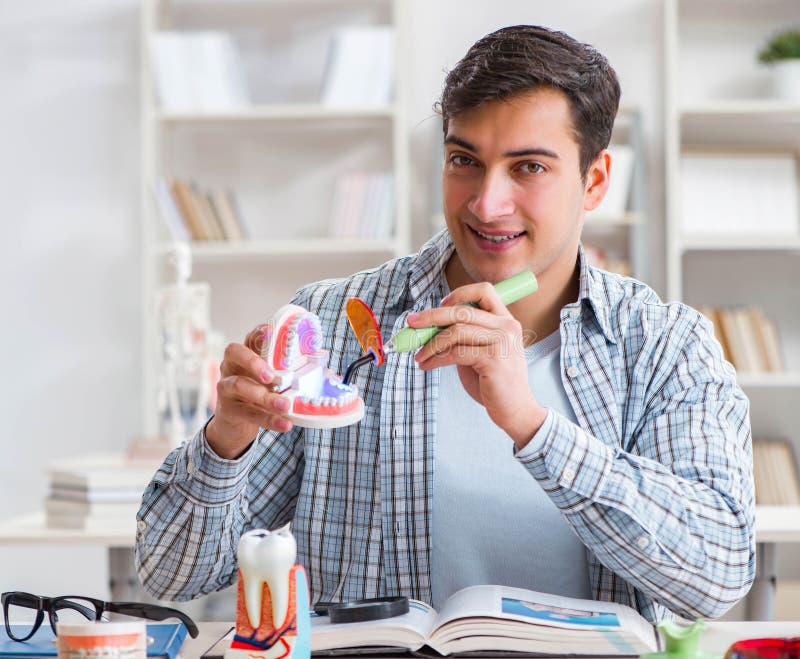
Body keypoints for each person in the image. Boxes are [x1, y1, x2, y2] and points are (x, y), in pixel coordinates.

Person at [135, 25, 754, 623]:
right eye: (465, 160)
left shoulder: (666, 345)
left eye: (529, 167)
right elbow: (171, 575)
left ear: (593, 182)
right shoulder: (335, 322)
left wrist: (532, 426)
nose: (487, 204)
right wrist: (227, 438)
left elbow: (717, 575)